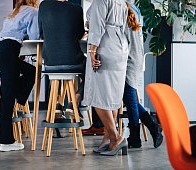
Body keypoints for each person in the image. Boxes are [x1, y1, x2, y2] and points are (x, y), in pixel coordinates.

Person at [0, 0, 39, 152]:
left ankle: (18, 96)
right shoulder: (32, 12)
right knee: (7, 98)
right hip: (9, 52)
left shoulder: (15, 11)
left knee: (30, 72)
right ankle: (6, 142)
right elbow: (35, 36)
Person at [83, 0, 129, 156]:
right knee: (112, 94)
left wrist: (92, 50)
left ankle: (116, 138)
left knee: (99, 96)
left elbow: (97, 25)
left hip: (105, 46)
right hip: (120, 47)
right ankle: (107, 138)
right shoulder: (121, 1)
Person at [123, 0, 163, 148]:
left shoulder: (123, 9)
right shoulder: (134, 9)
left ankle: (136, 136)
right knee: (129, 98)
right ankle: (152, 128)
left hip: (129, 60)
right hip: (135, 58)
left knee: (129, 98)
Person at [38, 0, 86, 114]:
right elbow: (80, 34)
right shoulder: (77, 9)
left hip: (50, 64)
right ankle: (76, 100)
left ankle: (57, 103)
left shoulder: (43, 5)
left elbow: (41, 33)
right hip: (73, 62)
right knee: (93, 70)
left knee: (56, 73)